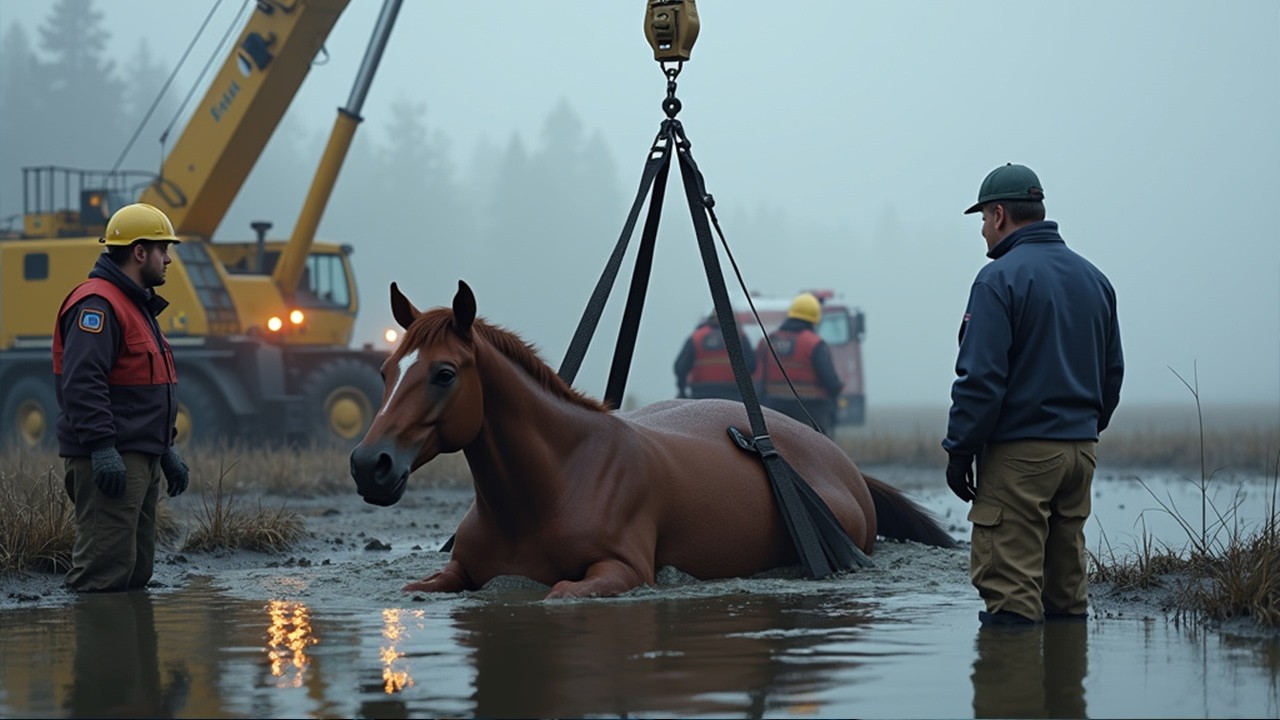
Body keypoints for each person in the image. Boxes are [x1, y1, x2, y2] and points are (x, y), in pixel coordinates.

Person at [943, 163, 1123, 626]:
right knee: (1066, 592)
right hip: (1080, 455)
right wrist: (1082, 430)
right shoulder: (1095, 279)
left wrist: (960, 451)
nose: (983, 231)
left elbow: (980, 381)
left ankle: (1012, 693)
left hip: (1021, 457)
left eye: (983, 219)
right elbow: (1112, 374)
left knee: (1011, 593)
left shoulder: (998, 280)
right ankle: (1066, 692)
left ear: (999, 214)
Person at [53, 202, 191, 592]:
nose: (168, 259)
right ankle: (100, 650)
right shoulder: (98, 304)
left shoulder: (135, 305)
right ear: (139, 252)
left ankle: (130, 655)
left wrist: (166, 450)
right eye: (163, 249)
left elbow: (146, 387)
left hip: (138, 456)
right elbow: (83, 382)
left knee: (134, 574)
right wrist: (101, 447)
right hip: (113, 458)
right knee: (102, 574)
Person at [754, 292, 843, 437]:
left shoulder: (767, 342)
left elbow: (757, 378)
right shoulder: (815, 344)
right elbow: (832, 383)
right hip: (811, 414)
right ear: (814, 319)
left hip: (773, 413)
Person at [673, 312, 757, 401]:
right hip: (732, 393)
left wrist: (681, 390)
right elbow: (751, 365)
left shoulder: (696, 337)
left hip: (700, 393)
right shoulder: (738, 336)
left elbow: (680, 367)